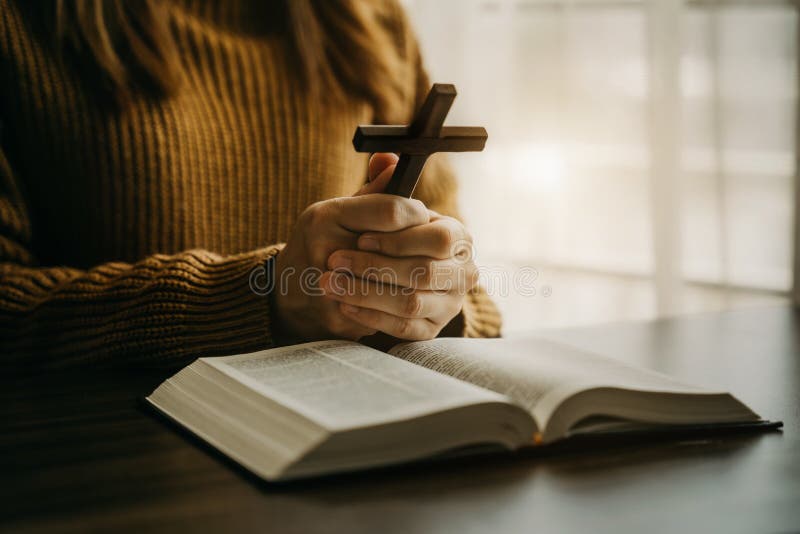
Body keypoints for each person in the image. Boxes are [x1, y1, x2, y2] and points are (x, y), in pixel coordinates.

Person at [0, 0, 501, 368]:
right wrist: (262, 297)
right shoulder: (21, 24)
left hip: (344, 459)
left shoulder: (374, 23)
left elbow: (473, 295)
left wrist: (430, 305)